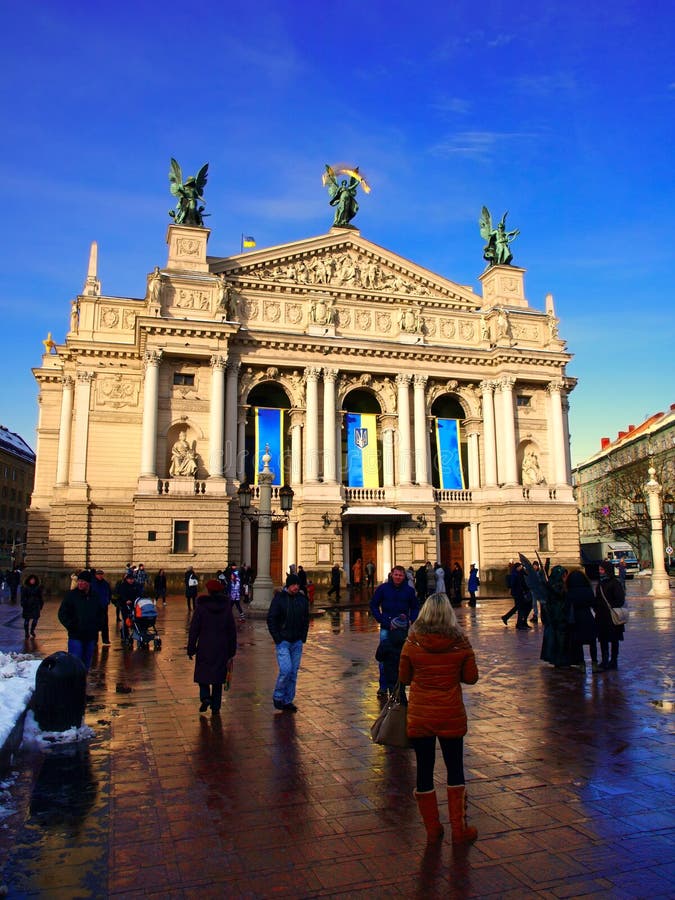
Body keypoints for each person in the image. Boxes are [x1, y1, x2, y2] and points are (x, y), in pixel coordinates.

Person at [399, 593, 479, 844]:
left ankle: (433, 828)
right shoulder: (461, 643)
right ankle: (459, 829)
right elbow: (471, 677)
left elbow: (404, 678)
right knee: (455, 768)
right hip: (450, 714)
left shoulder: (412, 643)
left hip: (421, 715)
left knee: (424, 769)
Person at [187, 579, 237, 714]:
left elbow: (194, 629)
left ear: (208, 591)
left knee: (202, 674)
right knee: (218, 678)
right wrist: (232, 650)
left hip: (205, 646)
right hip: (222, 647)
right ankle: (216, 706)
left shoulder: (201, 607)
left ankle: (205, 697)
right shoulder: (226, 607)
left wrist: (191, 648)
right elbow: (231, 630)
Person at [369, 565, 419, 698]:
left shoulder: (408, 591)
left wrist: (411, 620)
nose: (398, 577)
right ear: (391, 575)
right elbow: (373, 605)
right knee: (384, 657)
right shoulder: (383, 589)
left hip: (403, 630)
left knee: (402, 657)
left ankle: (399, 684)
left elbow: (415, 607)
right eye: (396, 575)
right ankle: (383, 685)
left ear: (404, 577)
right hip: (387, 628)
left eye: (400, 575)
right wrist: (382, 620)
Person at [266, 574, 310, 712]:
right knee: (286, 670)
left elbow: (305, 618)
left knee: (293, 673)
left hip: (297, 641)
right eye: (293, 584)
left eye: (298, 584)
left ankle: (287, 701)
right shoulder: (279, 599)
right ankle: (278, 696)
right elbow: (271, 619)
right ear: (288, 585)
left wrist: (303, 636)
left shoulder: (302, 599)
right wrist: (277, 638)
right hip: (283, 641)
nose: (296, 587)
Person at [57, 571, 100, 670]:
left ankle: (82, 683)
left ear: (88, 583)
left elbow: (101, 613)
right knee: (75, 661)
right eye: (79, 581)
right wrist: (71, 625)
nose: (80, 583)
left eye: (83, 581)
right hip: (76, 635)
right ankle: (74, 684)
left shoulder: (95, 596)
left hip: (90, 635)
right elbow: (62, 613)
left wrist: (97, 627)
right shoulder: (71, 596)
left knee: (86, 663)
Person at [594, 560, 626, 670]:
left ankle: (613, 661)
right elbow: (597, 598)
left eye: (602, 570)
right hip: (601, 617)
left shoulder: (615, 583)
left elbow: (620, 599)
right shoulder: (600, 583)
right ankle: (604, 660)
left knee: (614, 639)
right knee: (603, 639)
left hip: (612, 616)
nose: (600, 572)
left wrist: (609, 606)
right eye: (599, 570)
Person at [565, 569, 599, 673]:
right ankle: (594, 664)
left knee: (578, 643)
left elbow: (566, 606)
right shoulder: (588, 590)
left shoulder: (570, 592)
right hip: (588, 617)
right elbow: (594, 604)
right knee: (592, 642)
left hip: (576, 618)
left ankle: (582, 664)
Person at [540, 565, 569, 667]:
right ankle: (559, 659)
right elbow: (561, 596)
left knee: (554, 638)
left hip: (552, 615)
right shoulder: (558, 586)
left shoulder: (550, 585)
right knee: (559, 638)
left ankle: (554, 657)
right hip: (558, 615)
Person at [375, 613, 409, 699]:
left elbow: (379, 657)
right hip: (403, 672)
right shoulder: (408, 643)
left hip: (390, 672)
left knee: (393, 691)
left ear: (392, 627)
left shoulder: (386, 642)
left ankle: (396, 706)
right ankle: (402, 704)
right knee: (401, 689)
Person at [90, 568, 112, 645]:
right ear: (96, 575)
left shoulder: (105, 584)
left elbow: (109, 593)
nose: (100, 576)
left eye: (101, 575)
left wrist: (108, 600)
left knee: (104, 623)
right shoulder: (92, 583)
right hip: (94, 606)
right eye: (98, 574)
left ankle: (105, 639)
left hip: (103, 605)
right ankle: (94, 639)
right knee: (94, 623)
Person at [21, 574, 43, 639]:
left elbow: (40, 597)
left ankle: (32, 630)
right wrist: (23, 603)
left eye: (33, 580)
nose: (32, 581)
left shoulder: (38, 588)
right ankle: (26, 632)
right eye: (31, 580)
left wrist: (41, 604)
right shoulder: (25, 588)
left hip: (36, 605)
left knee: (35, 619)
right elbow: (23, 597)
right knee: (26, 620)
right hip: (27, 605)